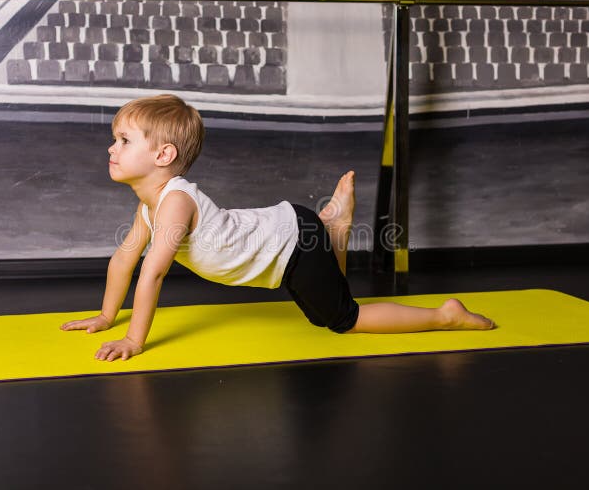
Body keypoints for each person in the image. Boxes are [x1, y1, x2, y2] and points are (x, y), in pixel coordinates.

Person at [60, 94, 494, 361]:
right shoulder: (149, 206)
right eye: (115, 139)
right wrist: (106, 315)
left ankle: (445, 315)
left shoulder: (175, 202)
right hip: (287, 233)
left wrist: (135, 340)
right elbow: (124, 260)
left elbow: (152, 273)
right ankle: (330, 227)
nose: (111, 148)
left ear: (163, 155)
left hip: (294, 246)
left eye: (124, 140)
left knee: (342, 320)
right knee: (325, 301)